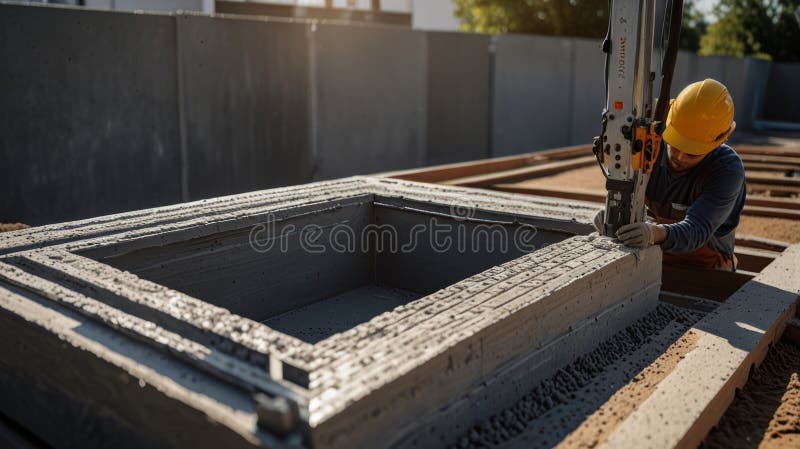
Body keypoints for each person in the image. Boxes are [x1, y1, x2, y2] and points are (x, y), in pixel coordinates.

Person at [595, 79, 746, 271]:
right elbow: (624, 185)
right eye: (675, 146)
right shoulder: (649, 142)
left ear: (718, 142)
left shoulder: (727, 171)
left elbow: (697, 230)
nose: (680, 157)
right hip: (649, 256)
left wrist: (654, 234)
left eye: (692, 153)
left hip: (704, 268)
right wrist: (612, 211)